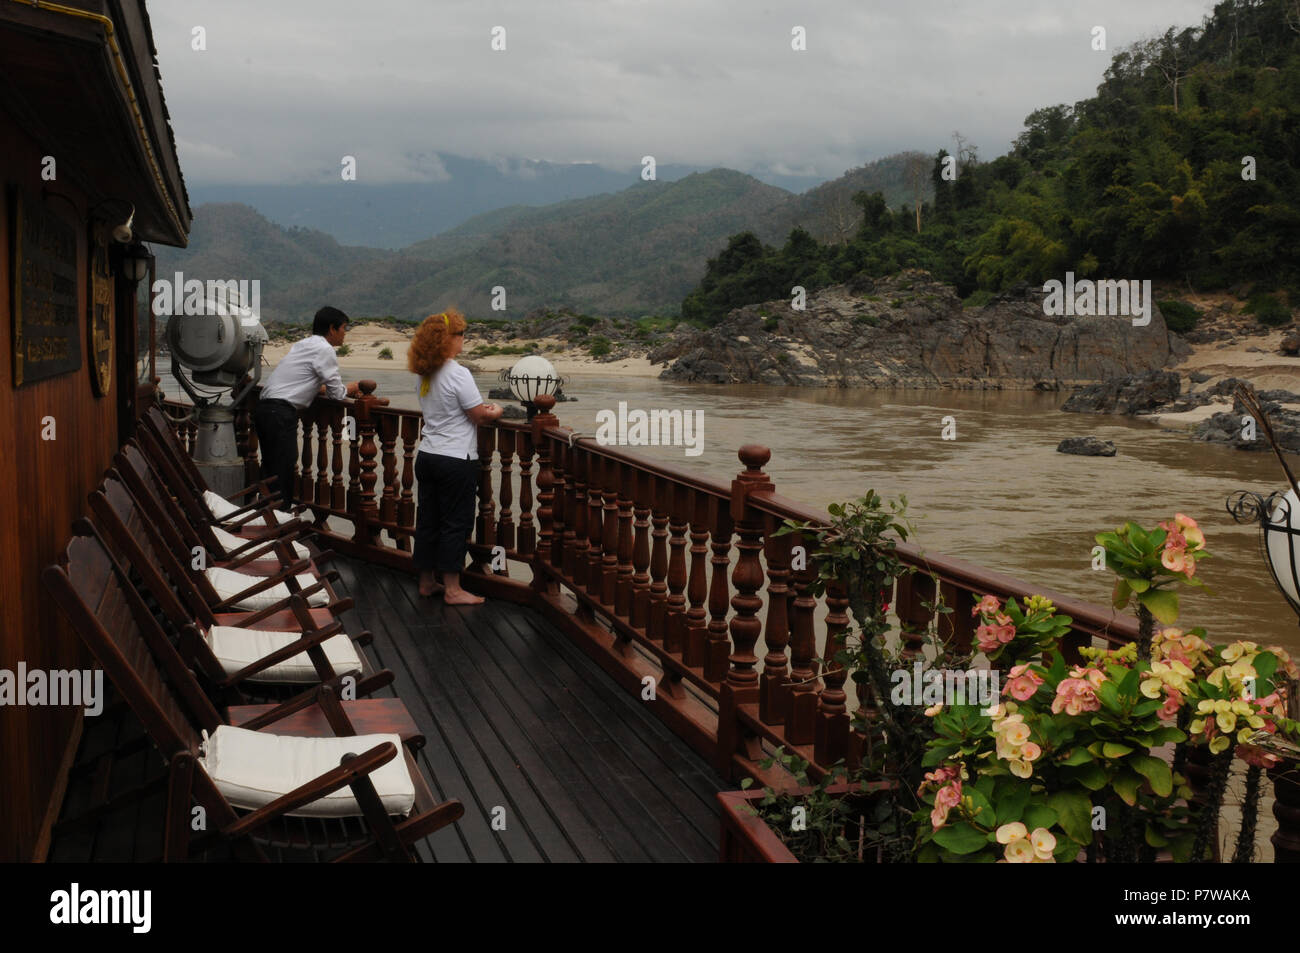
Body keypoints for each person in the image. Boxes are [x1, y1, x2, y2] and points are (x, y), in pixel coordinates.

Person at [408, 308, 503, 604]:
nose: (464, 339)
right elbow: (478, 416)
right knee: (455, 522)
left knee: (428, 520)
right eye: (461, 334)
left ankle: (426, 581)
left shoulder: (425, 374)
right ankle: (452, 588)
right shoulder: (458, 373)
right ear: (447, 339)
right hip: (455, 459)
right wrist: (496, 411)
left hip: (428, 455)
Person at [254, 306, 360, 510]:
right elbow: (337, 393)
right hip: (280, 412)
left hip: (265, 408)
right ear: (332, 328)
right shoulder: (325, 349)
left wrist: (317, 388)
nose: (345, 334)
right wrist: (352, 388)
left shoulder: (303, 344)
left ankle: (264, 517)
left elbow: (303, 377)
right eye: (344, 328)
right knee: (283, 470)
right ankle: (277, 523)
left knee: (270, 468)